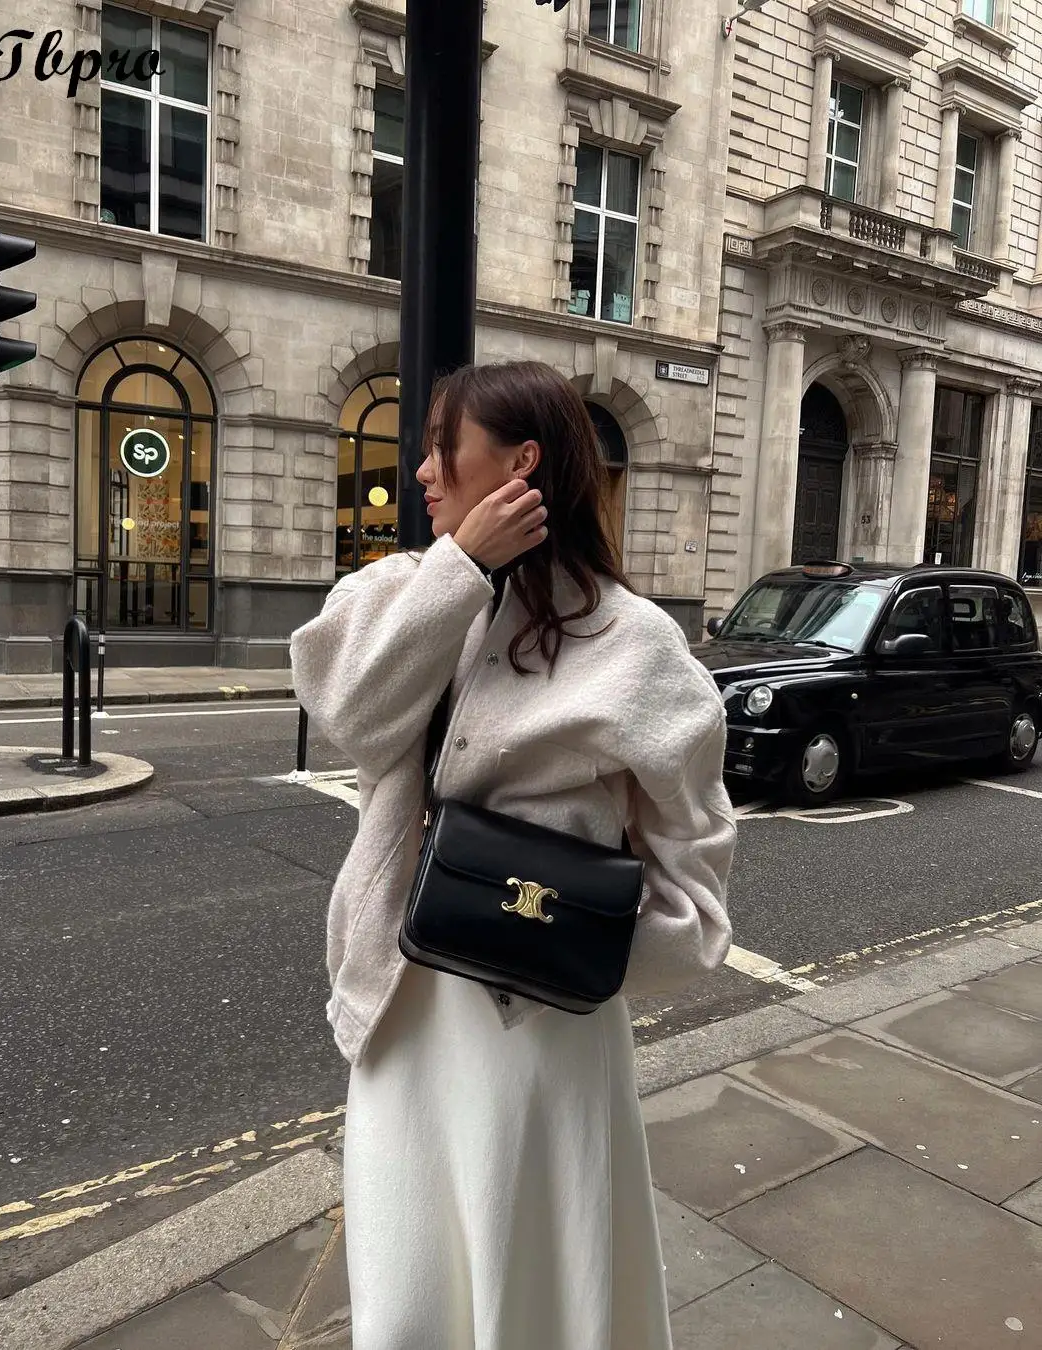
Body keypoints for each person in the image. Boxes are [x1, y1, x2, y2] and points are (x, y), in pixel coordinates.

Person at [290, 359, 735, 1350]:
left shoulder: (635, 643)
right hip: (400, 1005)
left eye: (441, 445)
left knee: (538, 1295)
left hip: (537, 1029)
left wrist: (571, 943)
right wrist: (460, 570)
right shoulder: (401, 592)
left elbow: (696, 878)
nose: (421, 471)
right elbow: (353, 718)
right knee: (408, 1300)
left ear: (520, 461)